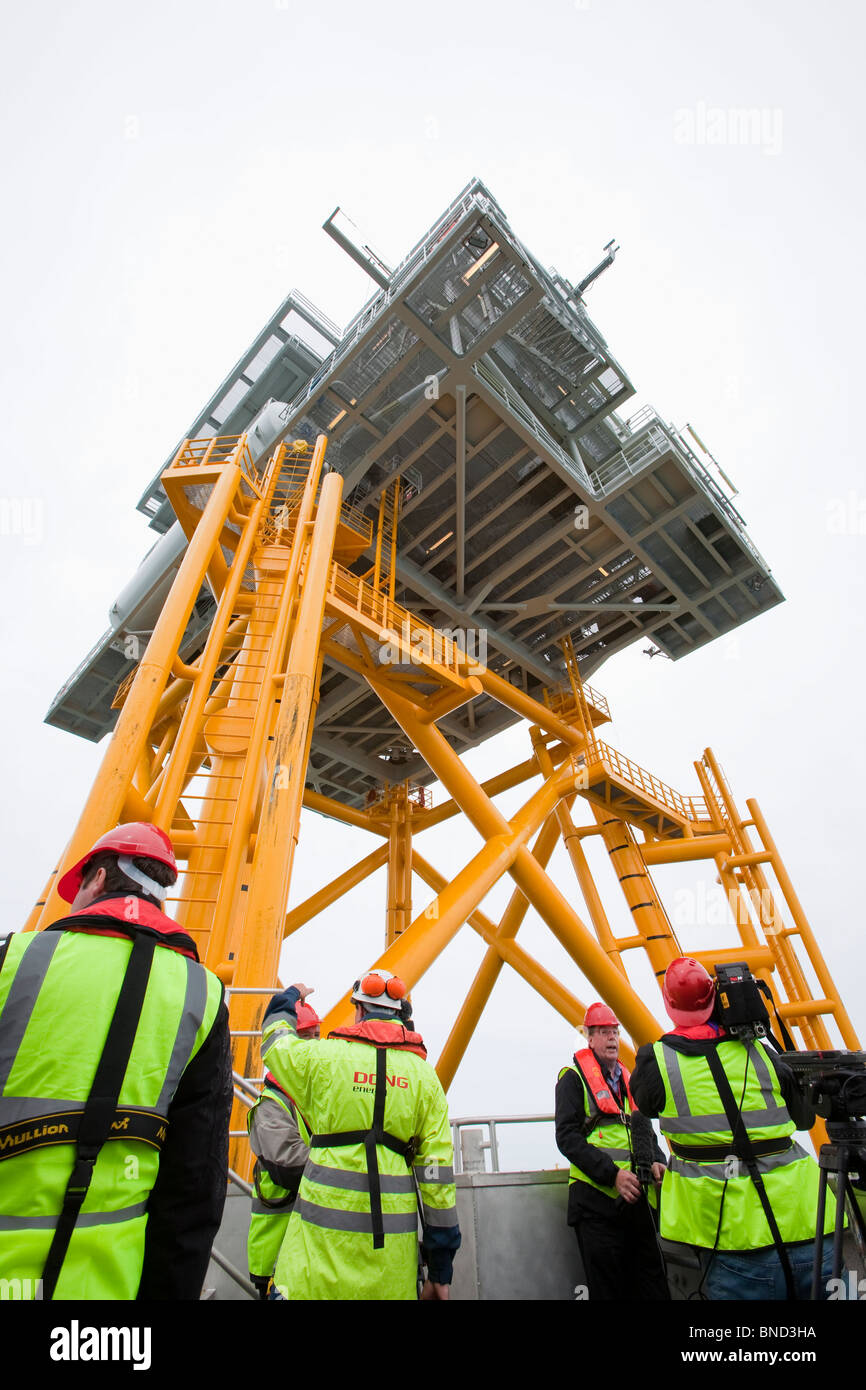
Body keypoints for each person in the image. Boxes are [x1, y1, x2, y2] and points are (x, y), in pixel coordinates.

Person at [0, 822, 232, 1300]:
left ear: (99, 880)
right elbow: (194, 1180)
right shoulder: (203, 993)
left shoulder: (14, 960)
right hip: (106, 1290)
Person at [630, 956, 837, 1300]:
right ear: (716, 1000)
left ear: (669, 1007)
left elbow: (644, 1103)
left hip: (731, 1238)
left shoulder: (658, 1061)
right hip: (808, 1224)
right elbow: (805, 1119)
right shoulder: (762, 1053)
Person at [260, 968, 460, 1300]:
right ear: (401, 1016)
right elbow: (437, 1183)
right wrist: (440, 1272)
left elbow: (274, 1042)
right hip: (390, 1278)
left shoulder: (325, 1059)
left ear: (358, 1011)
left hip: (312, 1276)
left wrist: (288, 998)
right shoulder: (425, 1078)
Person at [554, 1001, 670, 1300]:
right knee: (609, 1291)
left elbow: (643, 1130)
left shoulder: (631, 1081)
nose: (612, 1039)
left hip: (638, 1204)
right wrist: (612, 1175)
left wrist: (657, 1161)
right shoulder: (573, 1078)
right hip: (596, 1205)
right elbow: (567, 1137)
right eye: (604, 1032)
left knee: (654, 1288)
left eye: (615, 1033)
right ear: (589, 1038)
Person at [246, 1000, 319, 1299]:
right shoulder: (270, 1107)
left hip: (304, 1252)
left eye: (317, 1034)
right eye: (306, 1035)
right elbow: (289, 1165)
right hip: (277, 1255)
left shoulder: (312, 1097)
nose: (315, 1044)